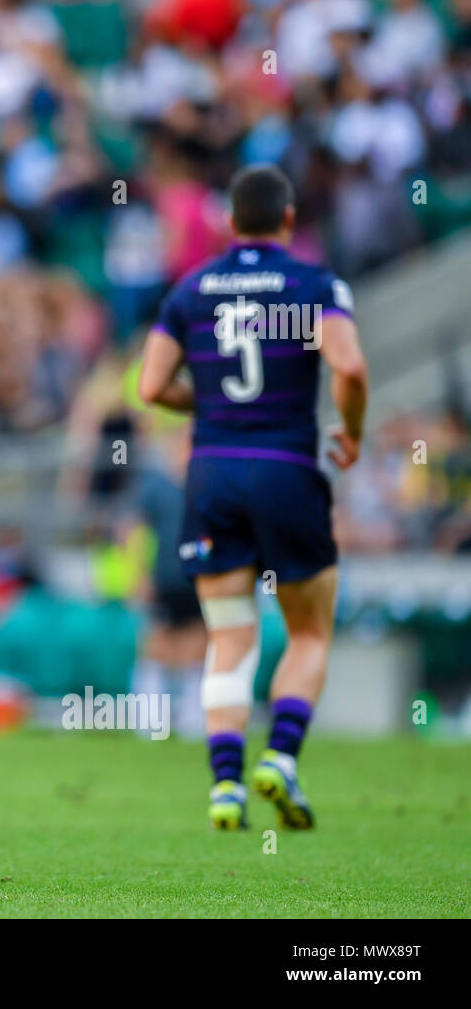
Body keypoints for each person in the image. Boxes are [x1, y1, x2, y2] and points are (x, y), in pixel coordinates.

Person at [138, 163, 368, 830]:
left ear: (230, 223)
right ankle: (284, 758)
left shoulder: (192, 289)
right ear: (289, 220)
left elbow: (151, 387)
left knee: (229, 635)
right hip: (286, 468)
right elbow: (349, 364)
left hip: (211, 471)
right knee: (308, 630)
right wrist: (349, 432)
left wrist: (206, 401)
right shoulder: (314, 285)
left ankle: (226, 787)